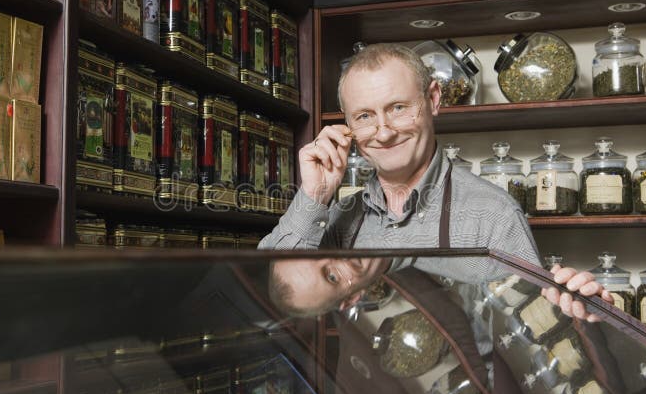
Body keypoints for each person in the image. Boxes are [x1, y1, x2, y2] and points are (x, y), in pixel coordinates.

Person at [260, 43, 611, 318]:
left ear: (433, 99)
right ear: (348, 126)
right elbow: (276, 286)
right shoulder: (340, 218)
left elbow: (532, 327)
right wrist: (314, 194)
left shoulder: (492, 214)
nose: (384, 132)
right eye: (365, 116)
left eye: (398, 108)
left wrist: (578, 308)